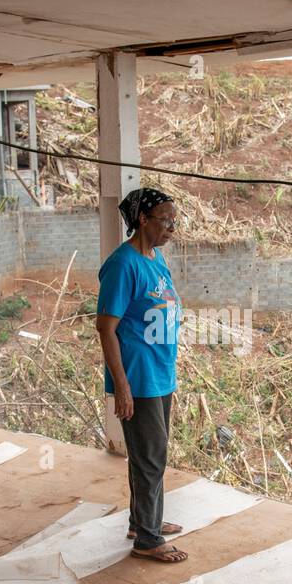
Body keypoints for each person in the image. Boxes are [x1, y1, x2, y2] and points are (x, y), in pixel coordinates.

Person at [95, 187, 188, 562]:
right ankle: (148, 540)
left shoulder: (156, 258)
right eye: (165, 220)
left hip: (160, 372)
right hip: (138, 376)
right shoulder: (123, 265)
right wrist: (122, 386)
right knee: (150, 456)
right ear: (142, 220)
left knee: (150, 454)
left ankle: (142, 520)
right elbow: (106, 326)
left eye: (174, 221)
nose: (171, 227)